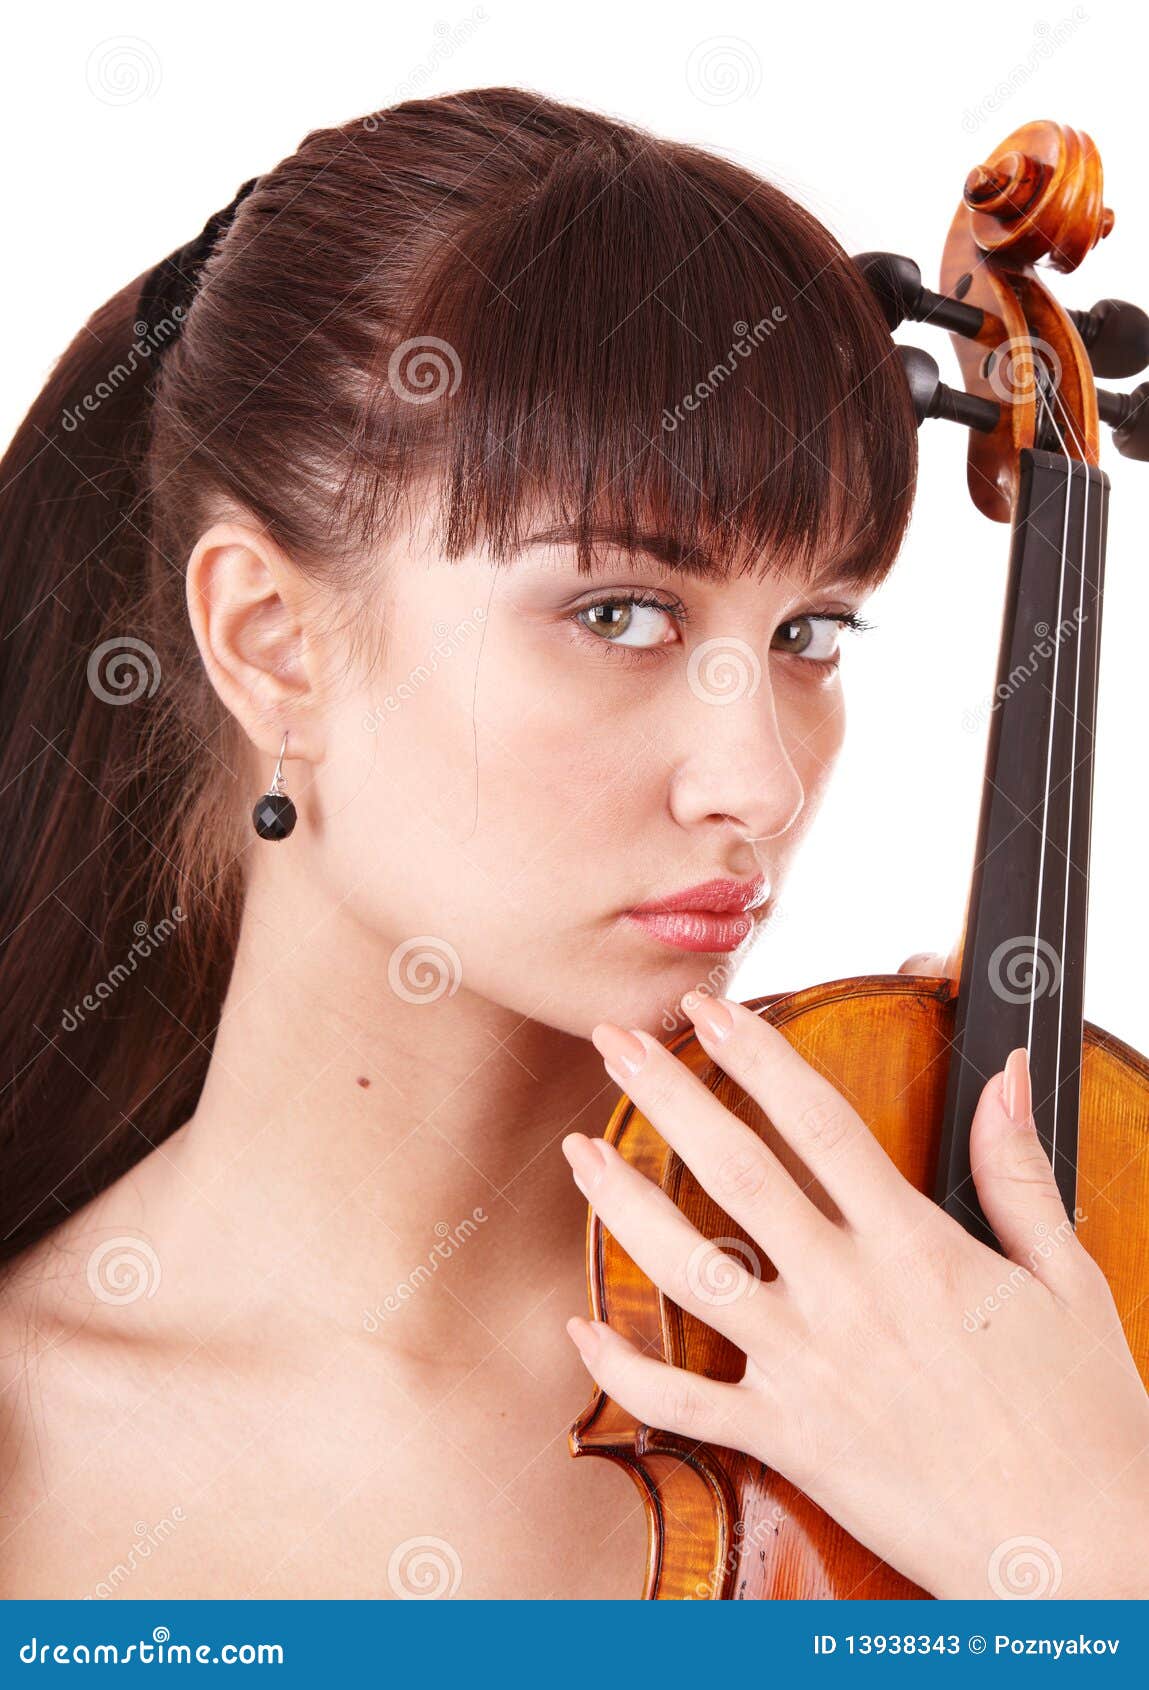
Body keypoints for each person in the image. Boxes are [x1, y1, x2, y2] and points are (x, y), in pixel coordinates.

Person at [0, 86, 1144, 1601]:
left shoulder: (1026, 1344)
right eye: (619, 614)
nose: (758, 783)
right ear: (272, 640)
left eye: (808, 631)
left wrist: (1089, 1546)